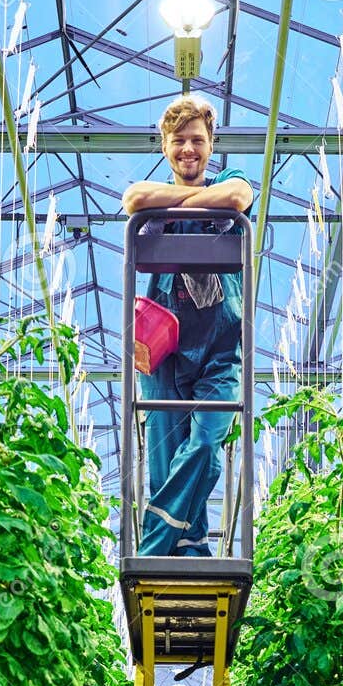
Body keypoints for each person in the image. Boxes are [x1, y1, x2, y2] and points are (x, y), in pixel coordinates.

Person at [121, 95, 254, 557]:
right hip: (163, 355)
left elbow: (238, 197)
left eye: (197, 140)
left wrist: (176, 203)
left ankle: (156, 547)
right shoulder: (148, 206)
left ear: (211, 143)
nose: (189, 150)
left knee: (203, 446)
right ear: (165, 146)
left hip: (220, 353)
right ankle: (193, 547)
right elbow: (133, 198)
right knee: (165, 462)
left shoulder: (230, 184)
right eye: (179, 141)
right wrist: (198, 202)